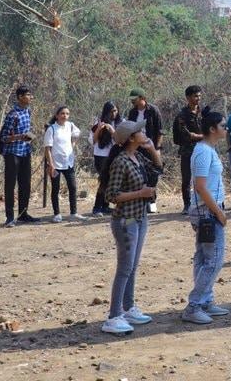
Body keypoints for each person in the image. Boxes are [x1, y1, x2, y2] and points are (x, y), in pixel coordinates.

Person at [102, 119, 162, 334]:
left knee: (133, 266)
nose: (144, 132)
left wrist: (152, 148)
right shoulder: (121, 162)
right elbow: (111, 195)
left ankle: (128, 307)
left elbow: (158, 168)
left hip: (139, 218)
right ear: (130, 138)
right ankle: (113, 316)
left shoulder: (136, 157)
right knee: (125, 268)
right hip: (125, 220)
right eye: (139, 131)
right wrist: (140, 193)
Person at [182, 108, 230, 325]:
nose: (226, 129)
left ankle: (206, 300)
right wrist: (218, 212)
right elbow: (201, 187)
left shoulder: (208, 149)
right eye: (223, 126)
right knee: (214, 260)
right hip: (207, 212)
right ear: (212, 129)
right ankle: (194, 306)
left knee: (204, 257)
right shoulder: (203, 151)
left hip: (208, 209)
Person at [0, 85, 38, 227]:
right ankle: (10, 217)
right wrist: (19, 137)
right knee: (10, 185)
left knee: (25, 184)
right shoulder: (12, 115)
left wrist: (29, 137)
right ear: (20, 97)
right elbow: (3, 137)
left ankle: (23, 214)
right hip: (12, 153)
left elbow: (27, 129)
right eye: (28, 95)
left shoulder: (28, 112)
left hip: (25, 152)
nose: (30, 97)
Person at [43, 105, 84, 222]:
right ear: (57, 115)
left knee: (73, 187)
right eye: (62, 113)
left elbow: (77, 134)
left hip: (68, 163)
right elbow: (47, 149)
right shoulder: (52, 129)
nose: (65, 116)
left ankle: (73, 213)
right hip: (55, 164)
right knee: (55, 189)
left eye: (67, 114)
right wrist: (51, 165)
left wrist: (73, 144)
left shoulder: (70, 126)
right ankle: (57, 214)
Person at [126, 89, 164, 212]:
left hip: (151, 147)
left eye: (134, 98)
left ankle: (152, 201)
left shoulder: (153, 110)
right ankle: (143, 202)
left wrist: (157, 148)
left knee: (154, 174)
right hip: (137, 148)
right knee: (141, 174)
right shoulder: (132, 112)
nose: (132, 101)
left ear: (142, 97)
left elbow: (160, 131)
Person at [172, 86, 204, 213]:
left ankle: (202, 202)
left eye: (200, 96)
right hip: (188, 150)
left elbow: (211, 129)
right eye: (196, 96)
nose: (198, 99)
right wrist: (202, 136)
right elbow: (187, 135)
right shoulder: (182, 115)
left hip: (203, 149)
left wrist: (200, 136)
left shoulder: (203, 113)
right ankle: (187, 204)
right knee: (186, 179)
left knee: (202, 177)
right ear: (188, 97)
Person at [90, 101, 119, 217]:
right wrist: (99, 129)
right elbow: (93, 141)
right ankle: (97, 207)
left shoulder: (119, 123)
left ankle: (105, 206)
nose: (114, 113)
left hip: (113, 155)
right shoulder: (97, 123)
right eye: (112, 111)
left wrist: (112, 130)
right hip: (100, 156)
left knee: (110, 182)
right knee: (103, 182)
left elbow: (119, 140)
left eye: (116, 110)